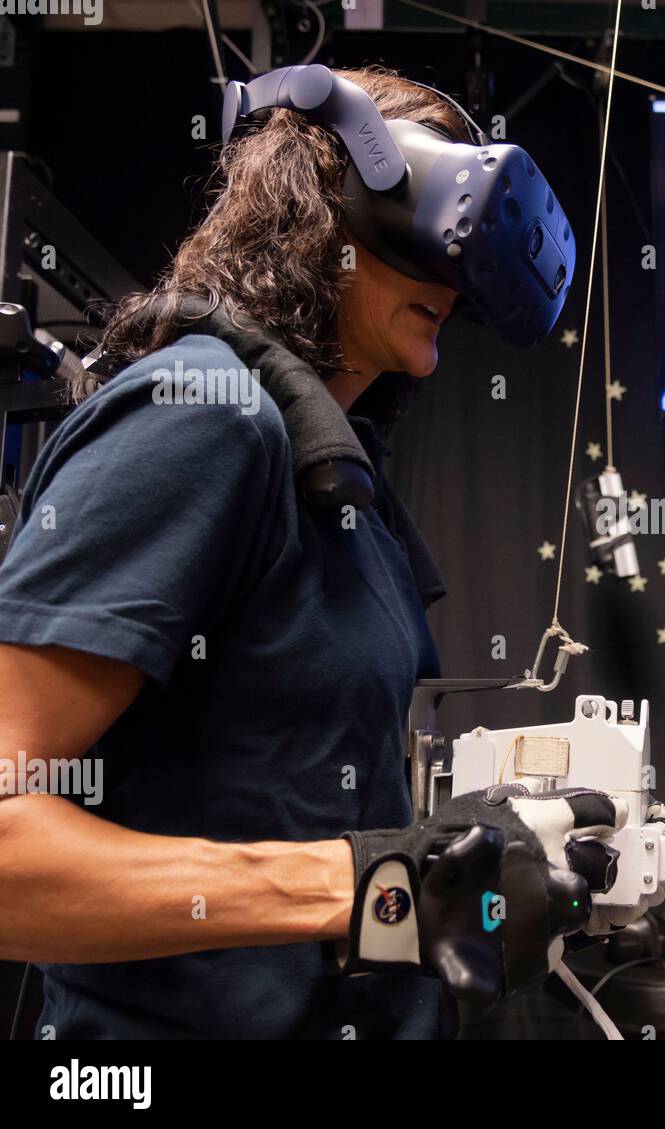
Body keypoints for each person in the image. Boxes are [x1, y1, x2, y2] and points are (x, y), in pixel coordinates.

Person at [0, 65, 631, 1040]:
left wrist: (461, 846)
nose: (458, 286)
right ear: (332, 192)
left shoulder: (327, 463)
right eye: (445, 226)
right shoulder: (207, 421)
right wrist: (379, 881)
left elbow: (274, 790)